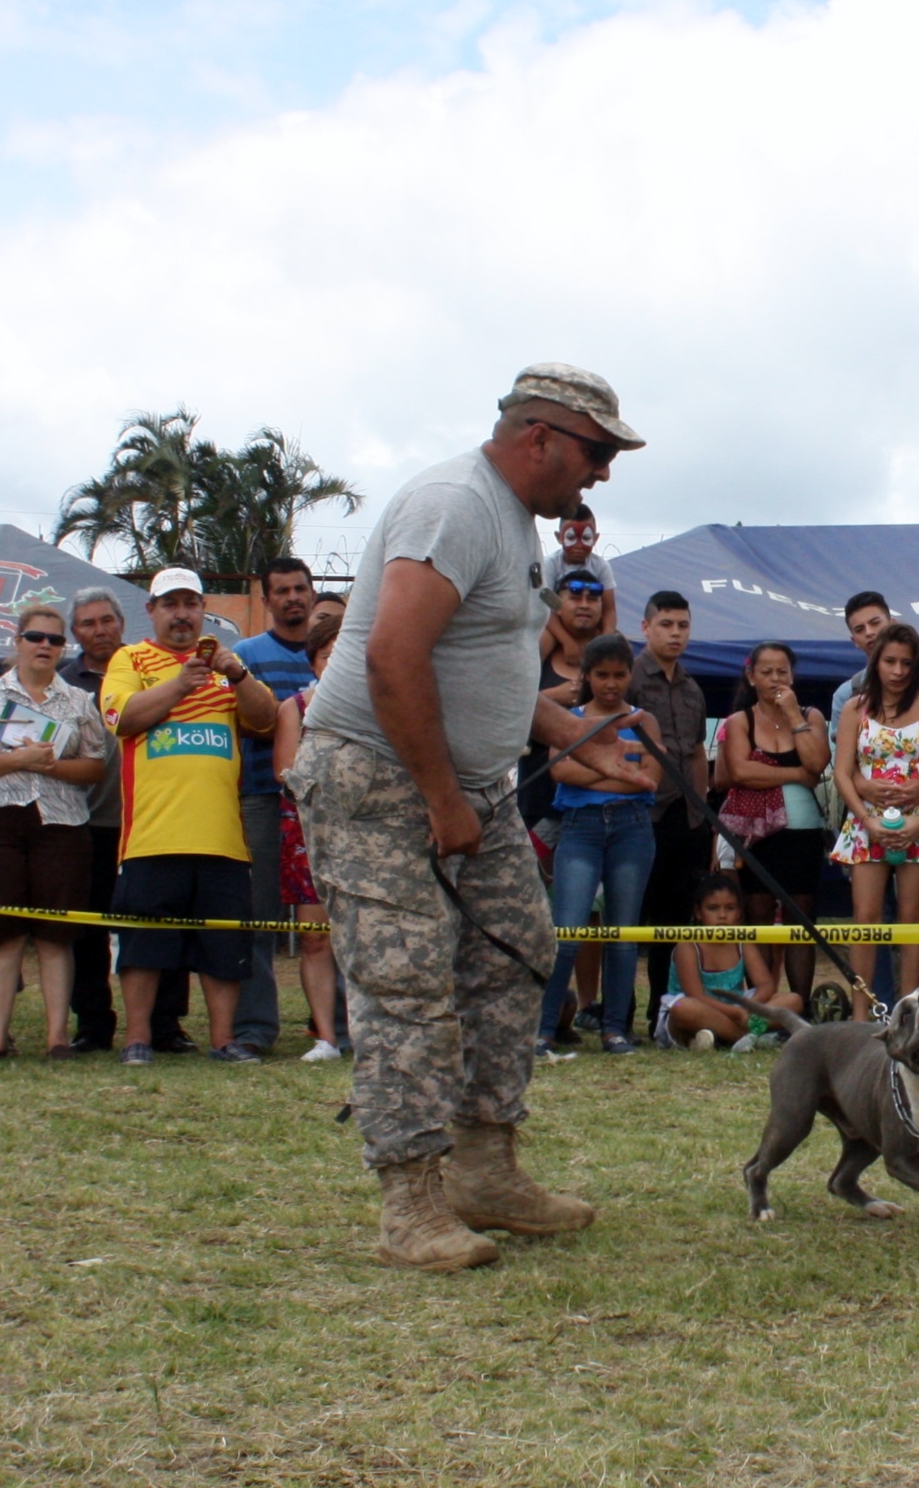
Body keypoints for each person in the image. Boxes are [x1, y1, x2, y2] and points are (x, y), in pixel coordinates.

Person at [288, 363, 624, 1270]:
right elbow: (396, 655)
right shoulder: (454, 503)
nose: (601, 474)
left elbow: (483, 659)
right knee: (406, 986)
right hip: (381, 779)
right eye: (595, 452)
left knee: (518, 950)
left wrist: (567, 727)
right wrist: (442, 799)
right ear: (540, 437)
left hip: (472, 786)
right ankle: (412, 1205)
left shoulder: (513, 520)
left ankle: (484, 1167)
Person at [101, 568, 279, 1063]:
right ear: (152, 610)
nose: (182, 614)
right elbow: (123, 718)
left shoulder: (228, 663)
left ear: (204, 611)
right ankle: (138, 1039)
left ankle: (223, 1040)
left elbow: (265, 719)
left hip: (222, 837)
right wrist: (180, 685)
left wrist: (238, 674)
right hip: (152, 836)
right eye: (171, 604)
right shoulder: (130, 658)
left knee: (224, 949)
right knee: (142, 947)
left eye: (191, 603)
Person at [0, 605, 111, 1060]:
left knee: (55, 934)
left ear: (65, 648)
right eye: (36, 637)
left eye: (55, 640)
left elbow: (95, 768)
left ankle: (56, 1037)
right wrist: (18, 761)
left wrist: (51, 764)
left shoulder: (80, 702)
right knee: (0, 934)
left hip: (61, 823)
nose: (45, 646)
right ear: (17, 640)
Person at [536, 632, 664, 1056]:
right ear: (587, 676)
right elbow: (560, 772)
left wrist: (589, 771)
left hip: (631, 828)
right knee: (567, 931)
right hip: (581, 826)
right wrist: (618, 776)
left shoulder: (644, 720)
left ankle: (615, 1030)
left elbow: (653, 776)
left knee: (622, 933)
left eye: (620, 675)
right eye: (602, 675)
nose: (611, 684)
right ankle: (543, 1028)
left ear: (630, 675)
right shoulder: (568, 717)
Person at [830, 619, 919, 1008]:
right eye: (890, 662)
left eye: (906, 662)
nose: (898, 671)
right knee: (865, 918)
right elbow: (841, 771)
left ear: (917, 664)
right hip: (865, 822)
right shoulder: (855, 708)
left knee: (912, 920)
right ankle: (860, 1014)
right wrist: (866, 820)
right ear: (876, 663)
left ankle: (909, 1010)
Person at [711, 641, 834, 1015]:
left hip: (804, 829)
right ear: (751, 677)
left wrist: (793, 713)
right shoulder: (739, 721)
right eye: (766, 672)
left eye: (782, 671)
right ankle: (763, 1004)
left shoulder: (811, 716)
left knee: (801, 913)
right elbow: (741, 772)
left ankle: (799, 1006)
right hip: (755, 833)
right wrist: (797, 774)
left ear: (793, 676)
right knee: (758, 910)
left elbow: (819, 761)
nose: (775, 679)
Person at [233, 557, 324, 1057]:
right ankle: (254, 1029)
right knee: (258, 918)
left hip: (330, 807)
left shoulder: (341, 655)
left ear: (312, 594)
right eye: (282, 591)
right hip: (263, 800)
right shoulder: (245, 655)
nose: (293, 597)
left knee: (331, 924)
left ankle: (336, 1027)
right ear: (266, 601)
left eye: (300, 589)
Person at [630, 590, 716, 1037]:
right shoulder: (627, 677)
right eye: (666, 624)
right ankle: (617, 1017)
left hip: (686, 818)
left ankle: (658, 1017)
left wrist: (700, 811)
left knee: (672, 921)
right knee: (628, 919)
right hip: (638, 813)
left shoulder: (692, 687)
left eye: (683, 625)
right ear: (646, 627)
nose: (675, 633)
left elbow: (698, 751)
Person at [268, 618, 346, 1062]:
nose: (334, 662)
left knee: (368, 935)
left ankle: (373, 1031)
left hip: (369, 831)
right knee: (316, 937)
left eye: (342, 652)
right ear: (312, 661)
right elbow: (286, 774)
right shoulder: (294, 707)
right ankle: (326, 1038)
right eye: (325, 654)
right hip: (307, 832)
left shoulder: (382, 704)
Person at [62, 588, 131, 1052]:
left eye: (107, 620)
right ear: (75, 633)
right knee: (85, 932)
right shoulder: (62, 682)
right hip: (83, 824)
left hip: (145, 823)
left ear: (122, 623)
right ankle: (92, 1024)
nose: (99, 630)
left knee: (150, 927)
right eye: (88, 623)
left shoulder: (145, 669)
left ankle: (164, 1025)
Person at [658, 872, 807, 1052]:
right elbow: (696, 995)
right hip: (702, 1009)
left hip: (740, 1008)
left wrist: (748, 1008)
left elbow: (766, 984)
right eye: (713, 908)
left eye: (730, 908)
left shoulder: (742, 941)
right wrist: (735, 1014)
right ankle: (745, 1038)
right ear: (698, 912)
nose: (722, 915)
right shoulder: (688, 946)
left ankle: (722, 1037)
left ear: (739, 912)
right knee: (683, 1008)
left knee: (793, 1000)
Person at [537, 569, 605, 702]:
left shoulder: (615, 648)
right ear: (558, 607)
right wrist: (553, 696)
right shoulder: (541, 644)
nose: (584, 605)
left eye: (592, 600)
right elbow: (509, 698)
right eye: (575, 599)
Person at [551, 504, 618, 635]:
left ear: (595, 538)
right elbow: (543, 608)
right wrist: (567, 641)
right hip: (556, 626)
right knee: (543, 642)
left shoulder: (601, 566)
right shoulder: (551, 564)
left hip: (591, 625)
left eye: (586, 538)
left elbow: (609, 609)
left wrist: (606, 639)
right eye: (571, 538)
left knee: (618, 645)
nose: (578, 546)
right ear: (559, 537)